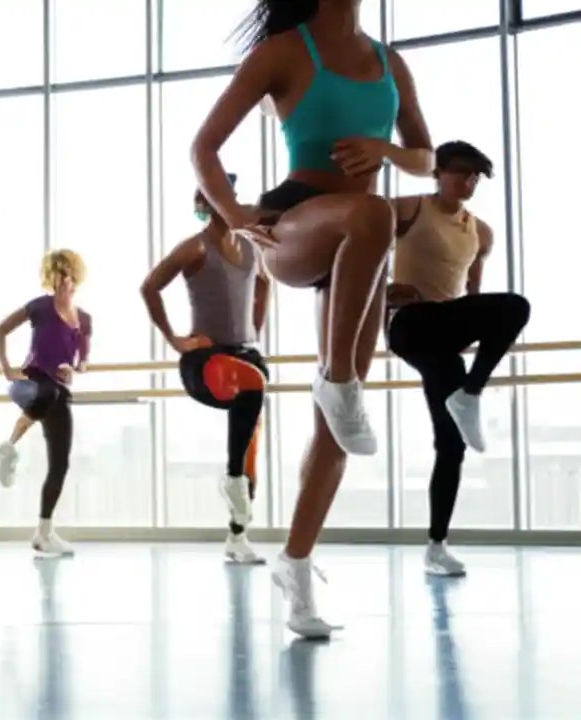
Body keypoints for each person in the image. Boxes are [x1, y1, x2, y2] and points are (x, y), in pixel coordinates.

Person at [192, 0, 435, 637]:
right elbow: (204, 147)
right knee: (374, 212)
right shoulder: (283, 52)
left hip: (363, 245)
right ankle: (337, 379)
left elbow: (426, 159)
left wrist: (384, 146)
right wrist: (236, 214)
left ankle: (296, 569)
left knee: (335, 427)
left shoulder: (391, 62)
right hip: (297, 221)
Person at [386, 140, 530, 577]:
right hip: (409, 323)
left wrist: (477, 332)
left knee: (450, 444)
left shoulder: (480, 232)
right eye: (460, 172)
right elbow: (357, 255)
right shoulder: (406, 209)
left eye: (475, 176)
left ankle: (436, 547)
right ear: (438, 172)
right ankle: (470, 394)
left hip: (444, 332)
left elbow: (471, 295)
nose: (467, 182)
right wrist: (383, 295)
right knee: (516, 305)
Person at [140, 176, 270, 565]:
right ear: (208, 203)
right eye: (219, 196)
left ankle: (237, 535)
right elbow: (149, 287)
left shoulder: (250, 248)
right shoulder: (195, 247)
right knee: (252, 389)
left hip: (246, 356)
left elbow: (264, 285)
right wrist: (175, 340)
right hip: (206, 359)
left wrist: (255, 329)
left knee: (251, 443)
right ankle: (231, 480)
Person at [0, 249, 92, 556]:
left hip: (58, 391)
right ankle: (9, 445)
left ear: (76, 278)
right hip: (30, 384)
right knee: (49, 392)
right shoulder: (40, 307)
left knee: (60, 464)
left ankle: (44, 532)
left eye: (69, 274)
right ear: (51, 278)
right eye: (59, 275)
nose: (65, 281)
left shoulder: (84, 319)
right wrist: (6, 368)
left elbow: (83, 360)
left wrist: (73, 369)